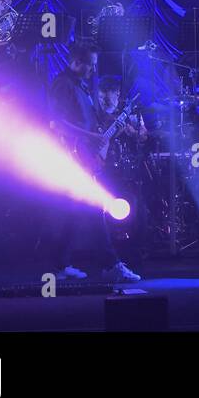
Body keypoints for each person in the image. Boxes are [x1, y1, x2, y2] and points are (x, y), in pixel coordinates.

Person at [47, 43, 141, 282]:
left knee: (74, 210)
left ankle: (59, 265)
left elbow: (89, 121)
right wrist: (93, 138)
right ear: (76, 62)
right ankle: (111, 264)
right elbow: (57, 123)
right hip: (71, 158)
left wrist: (113, 124)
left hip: (84, 157)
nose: (93, 69)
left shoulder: (82, 87)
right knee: (93, 207)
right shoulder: (63, 85)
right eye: (90, 64)